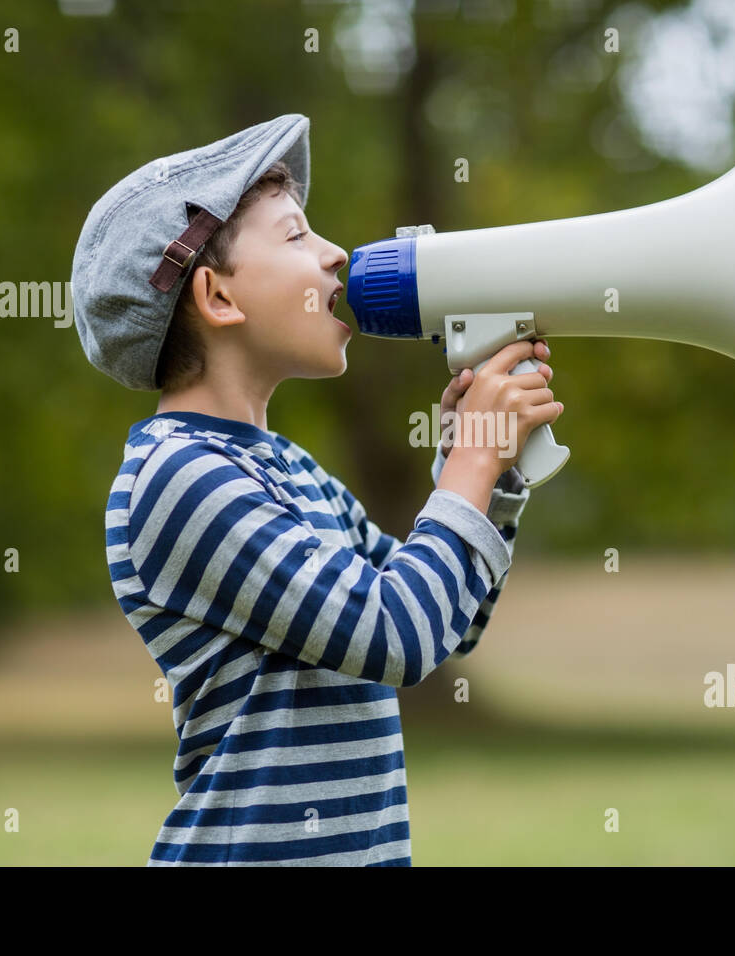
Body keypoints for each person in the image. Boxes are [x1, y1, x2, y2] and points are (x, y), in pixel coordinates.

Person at [70, 113, 562, 864]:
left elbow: (445, 624)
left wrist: (492, 473)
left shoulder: (292, 470)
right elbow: (394, 636)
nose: (337, 254)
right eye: (297, 236)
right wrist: (470, 460)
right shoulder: (179, 478)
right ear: (218, 297)